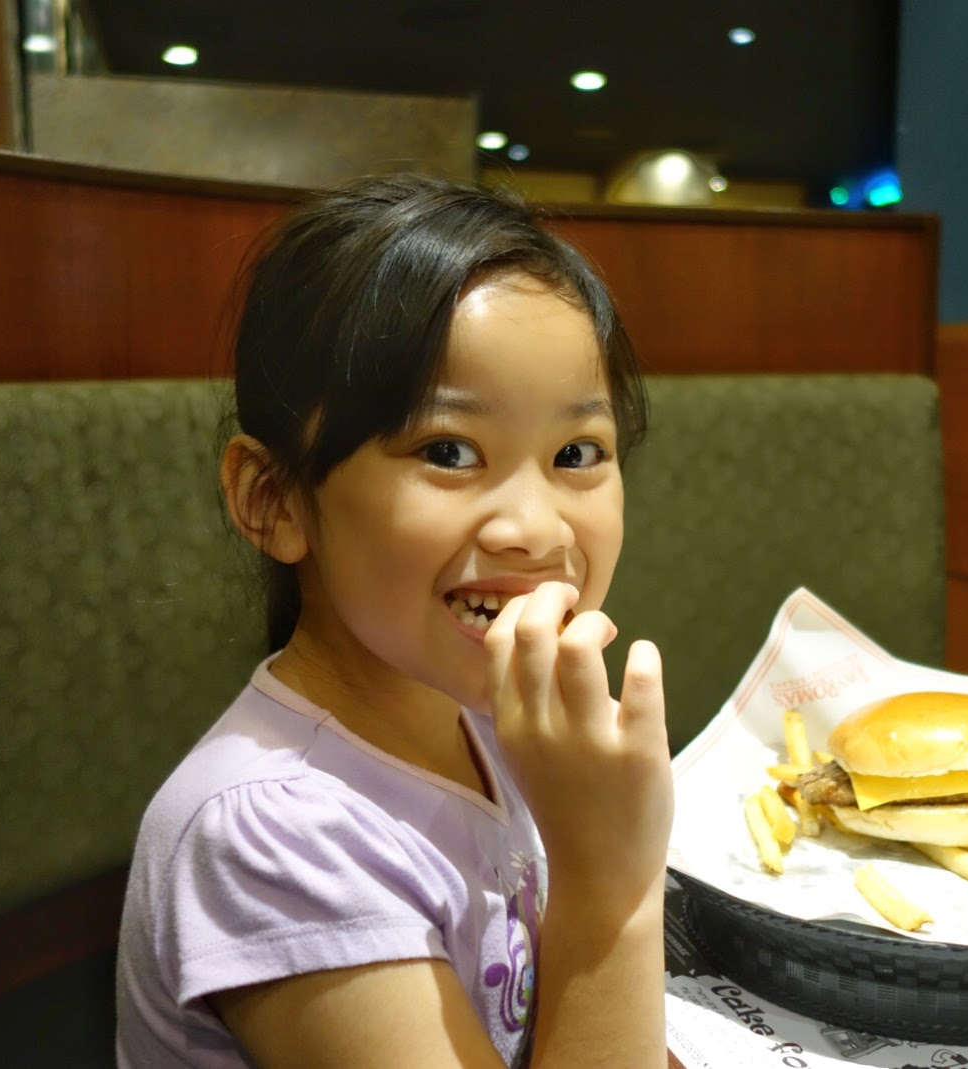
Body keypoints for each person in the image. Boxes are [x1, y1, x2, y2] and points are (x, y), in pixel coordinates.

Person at [115, 173, 674, 1069]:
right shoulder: (272, 836)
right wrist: (613, 884)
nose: (534, 528)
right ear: (274, 499)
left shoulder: (492, 720)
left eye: (577, 453)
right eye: (447, 451)